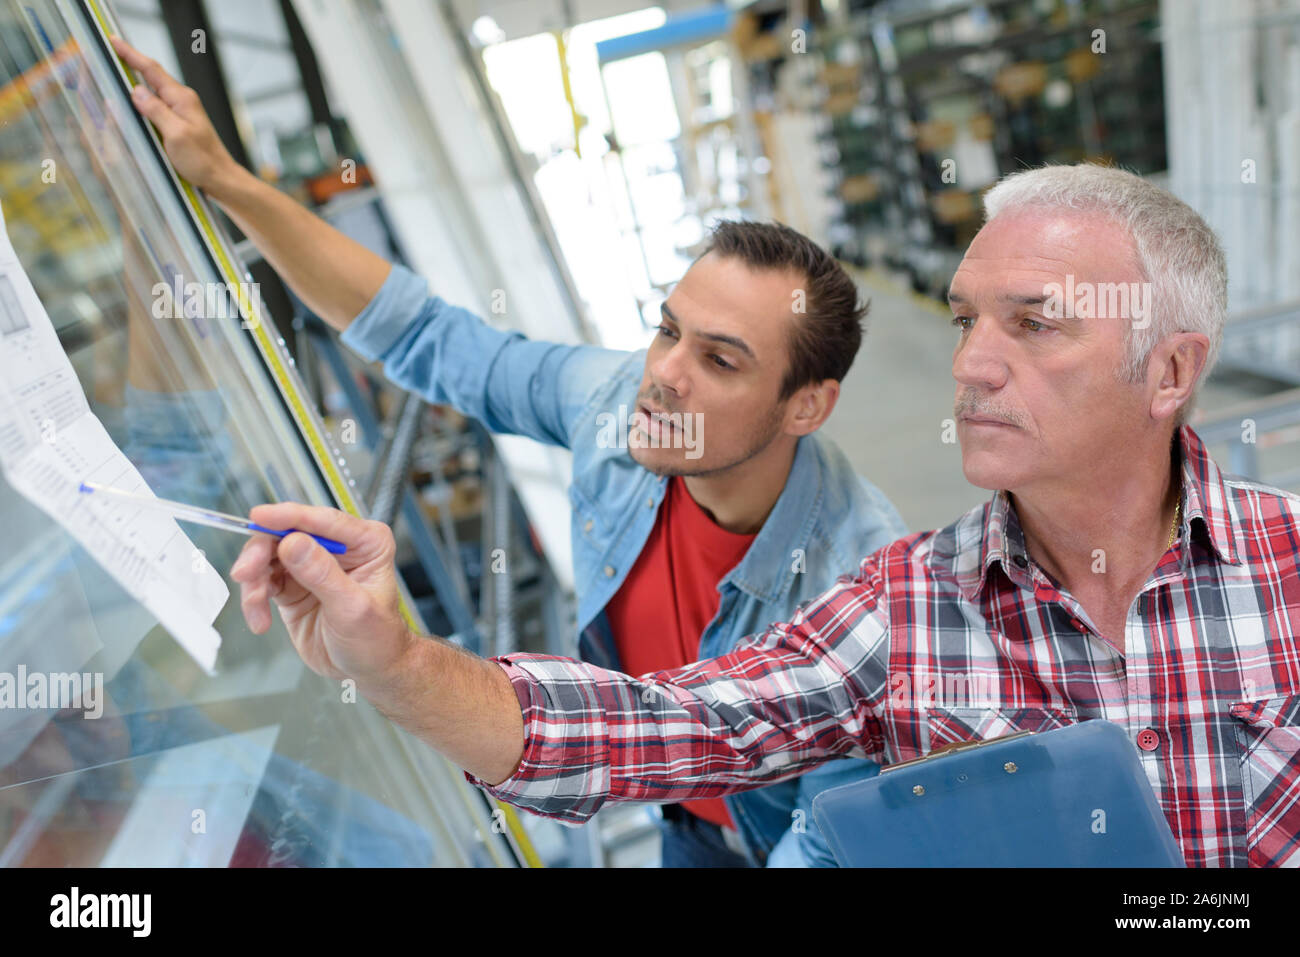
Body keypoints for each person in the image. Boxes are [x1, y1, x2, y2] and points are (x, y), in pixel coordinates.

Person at [229, 160, 1299, 868]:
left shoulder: (856, 552)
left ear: (1166, 371)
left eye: (1033, 325)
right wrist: (396, 663)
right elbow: (670, 726)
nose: (969, 364)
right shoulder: (900, 605)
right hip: (702, 824)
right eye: (970, 319)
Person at [111, 36, 908, 867]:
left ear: (807, 405)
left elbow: (835, 838)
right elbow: (425, 333)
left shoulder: (861, 586)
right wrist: (224, 178)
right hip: (680, 813)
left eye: (719, 359)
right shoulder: (612, 407)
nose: (664, 375)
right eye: (666, 329)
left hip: (768, 838)